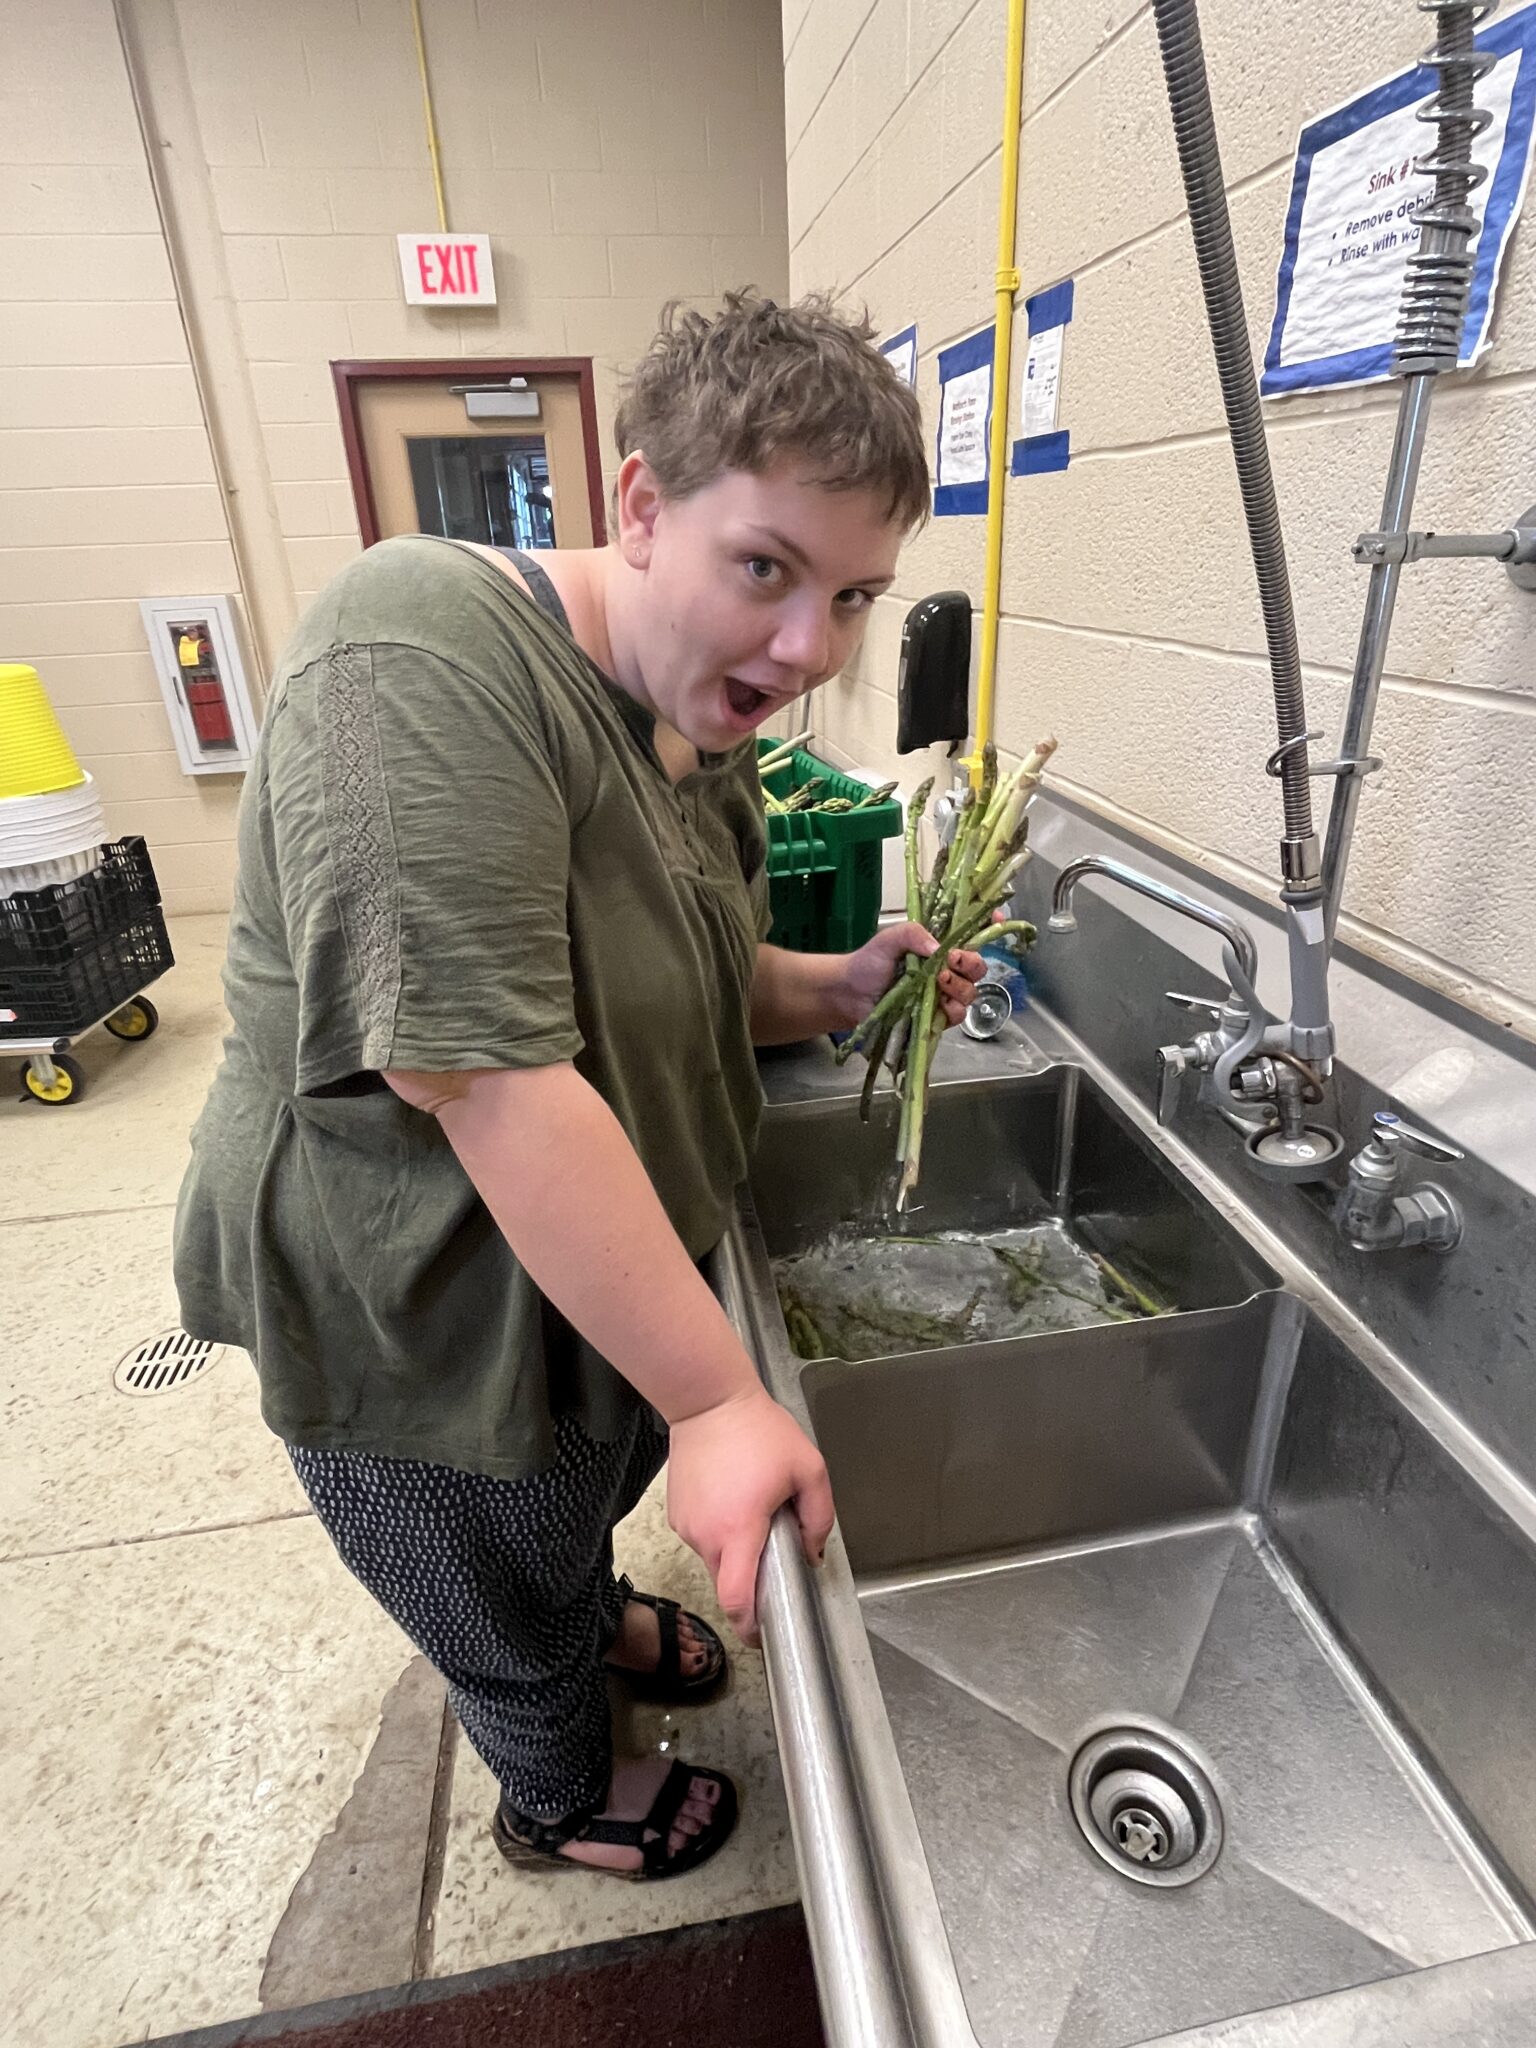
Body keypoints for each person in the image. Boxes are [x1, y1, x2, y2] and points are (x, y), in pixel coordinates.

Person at [174, 291, 989, 1882]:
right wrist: (714, 1396)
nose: (808, 648)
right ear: (637, 503)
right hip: (408, 1307)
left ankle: (582, 1612)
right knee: (484, 1577)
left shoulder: (700, 712)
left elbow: (682, 963)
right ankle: (557, 1798)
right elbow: (480, 1074)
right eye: (767, 566)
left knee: (558, 1527)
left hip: (578, 1277)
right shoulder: (419, 645)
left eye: (857, 597)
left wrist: (831, 983)